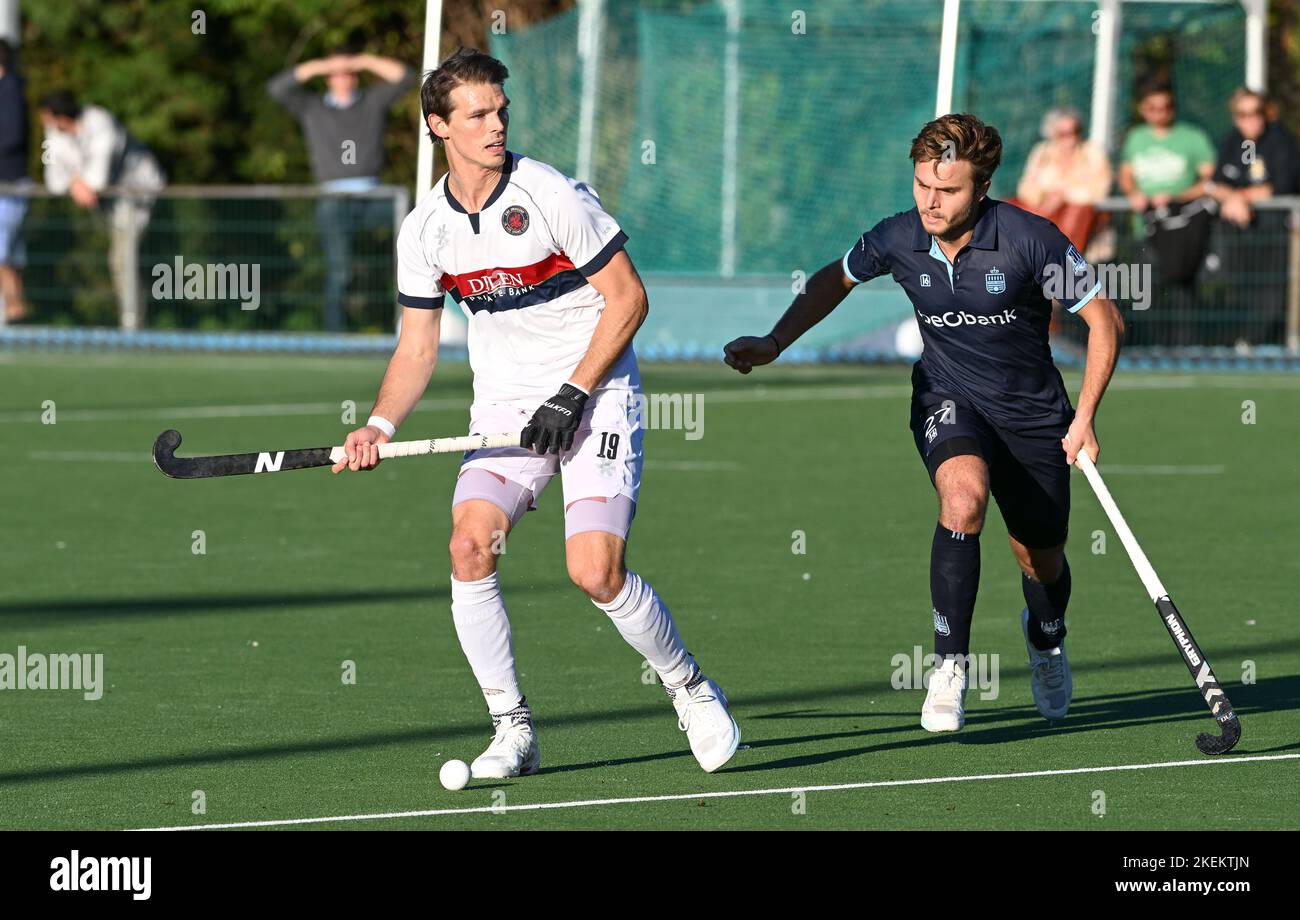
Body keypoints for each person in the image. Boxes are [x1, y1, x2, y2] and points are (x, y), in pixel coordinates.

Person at [331, 49, 740, 778]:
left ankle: (690, 687)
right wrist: (378, 426)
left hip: (596, 389)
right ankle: (513, 730)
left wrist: (576, 392)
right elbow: (417, 347)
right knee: (468, 547)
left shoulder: (550, 195)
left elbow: (629, 299)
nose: (495, 126)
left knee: (593, 569)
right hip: (508, 407)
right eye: (477, 114)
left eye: (500, 111)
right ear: (439, 127)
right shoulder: (425, 230)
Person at [724, 114, 1124, 733]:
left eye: (948, 191)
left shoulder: (1030, 238)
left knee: (1040, 560)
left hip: (1032, 416)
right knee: (963, 501)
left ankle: (1046, 639)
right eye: (922, 186)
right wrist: (776, 340)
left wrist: (1087, 418)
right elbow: (837, 277)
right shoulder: (898, 236)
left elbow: (1104, 321)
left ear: (982, 187)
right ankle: (949, 666)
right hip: (947, 395)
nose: (930, 203)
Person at [268, 52, 415, 331]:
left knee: (416, 247)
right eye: (336, 73)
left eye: (348, 72)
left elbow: (407, 78)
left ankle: (411, 324)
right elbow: (277, 88)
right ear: (328, 78)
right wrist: (322, 64)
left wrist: (362, 60)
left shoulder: (372, 102)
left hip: (376, 199)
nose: (343, 76)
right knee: (339, 272)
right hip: (333, 201)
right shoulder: (312, 107)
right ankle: (336, 338)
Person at [39, 91, 165, 331]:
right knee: (121, 260)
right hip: (108, 203)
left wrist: (74, 181)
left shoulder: (100, 124)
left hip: (135, 195)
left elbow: (97, 180)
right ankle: (132, 319)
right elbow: (52, 179)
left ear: (59, 116)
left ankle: (132, 325)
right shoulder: (51, 134)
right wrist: (74, 183)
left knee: (122, 259)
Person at [1207, 88, 1299, 345]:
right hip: (1238, 231)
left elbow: (1282, 185)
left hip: (1273, 229)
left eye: (1256, 113)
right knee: (1240, 284)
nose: (1251, 119)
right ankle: (1244, 338)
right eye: (1243, 114)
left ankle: (1264, 340)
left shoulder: (1280, 141)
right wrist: (1233, 198)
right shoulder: (1231, 141)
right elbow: (1216, 183)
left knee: (1272, 287)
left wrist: (1241, 197)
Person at [1117, 82, 1216, 289]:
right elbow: (1125, 176)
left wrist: (1177, 197)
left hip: (1182, 230)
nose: (1160, 113)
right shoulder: (1135, 138)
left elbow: (1212, 180)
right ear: (1143, 109)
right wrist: (1134, 193)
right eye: (1153, 108)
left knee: (1180, 295)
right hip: (1144, 229)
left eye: (1166, 106)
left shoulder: (1193, 136)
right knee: (1146, 299)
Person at [1014, 107, 1112, 251]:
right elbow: (1025, 187)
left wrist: (1063, 196)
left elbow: (1100, 189)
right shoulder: (1042, 152)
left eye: (1075, 131)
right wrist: (1045, 200)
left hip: (1080, 221)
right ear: (1052, 134)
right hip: (1044, 212)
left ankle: (1064, 261)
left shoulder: (1092, 153)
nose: (1071, 138)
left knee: (1077, 213)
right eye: (1063, 134)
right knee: (1009, 209)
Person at [0, 39, 31, 322]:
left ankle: (14, 306)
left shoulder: (9, 91)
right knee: (9, 251)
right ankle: (14, 309)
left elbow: (10, 137)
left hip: (8, 183)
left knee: (3, 250)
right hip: (9, 183)